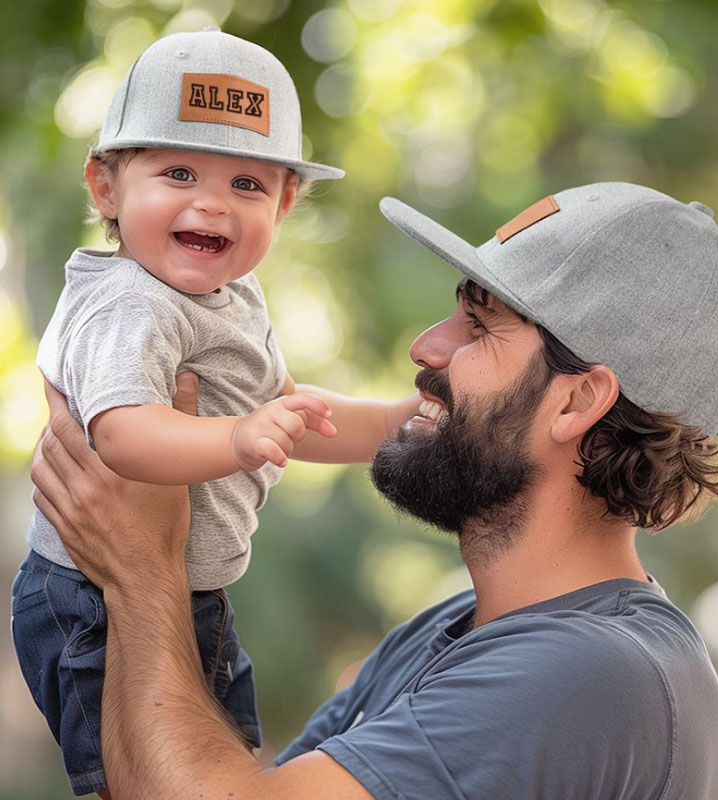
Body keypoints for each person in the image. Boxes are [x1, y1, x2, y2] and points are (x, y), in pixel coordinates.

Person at [29, 182, 718, 799]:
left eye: (479, 324)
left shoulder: (585, 673)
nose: (427, 346)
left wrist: (142, 571)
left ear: (577, 402)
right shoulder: (460, 633)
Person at [11, 28, 417, 798]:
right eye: (178, 171)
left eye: (247, 185)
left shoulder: (225, 297)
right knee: (136, 778)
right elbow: (123, 434)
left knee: (220, 764)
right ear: (104, 186)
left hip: (187, 586)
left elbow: (289, 411)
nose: (211, 203)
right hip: (90, 595)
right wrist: (233, 437)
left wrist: (388, 424)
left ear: (286, 200)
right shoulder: (130, 305)